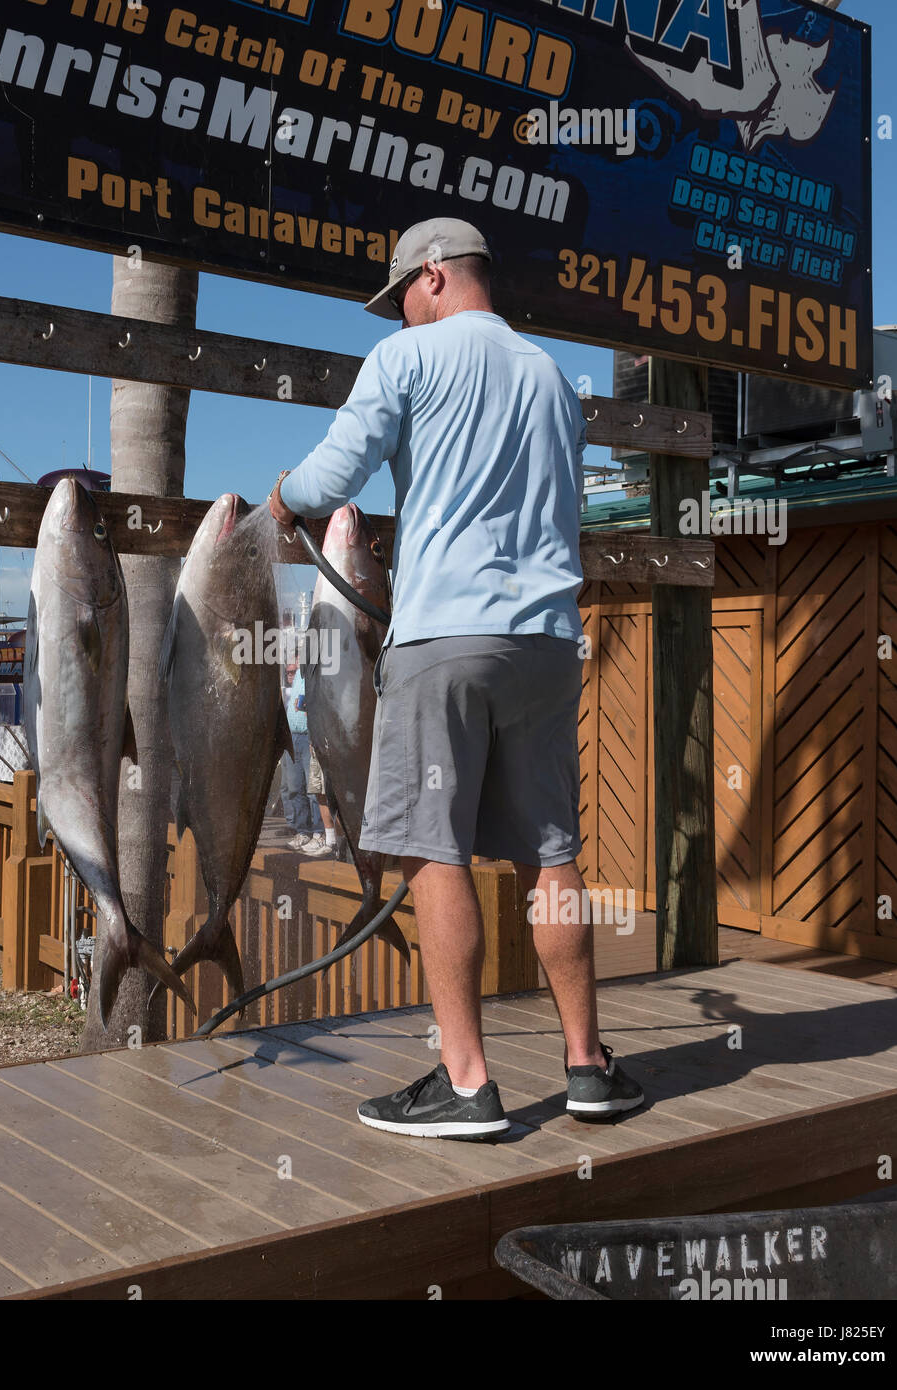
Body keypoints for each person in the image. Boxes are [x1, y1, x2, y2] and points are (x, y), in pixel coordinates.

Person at [268, 217, 644, 1138]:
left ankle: (467, 1082)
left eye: (400, 295)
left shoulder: (408, 361)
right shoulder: (553, 379)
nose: (397, 315)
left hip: (445, 638)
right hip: (549, 643)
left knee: (437, 850)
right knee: (549, 852)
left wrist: (277, 502)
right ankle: (587, 1066)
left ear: (433, 276)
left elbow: (331, 477)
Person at [281, 662, 326, 854]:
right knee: (294, 788)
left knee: (313, 790)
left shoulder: (318, 671)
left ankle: (319, 832)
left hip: (309, 736)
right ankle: (302, 831)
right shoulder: (300, 672)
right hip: (293, 736)